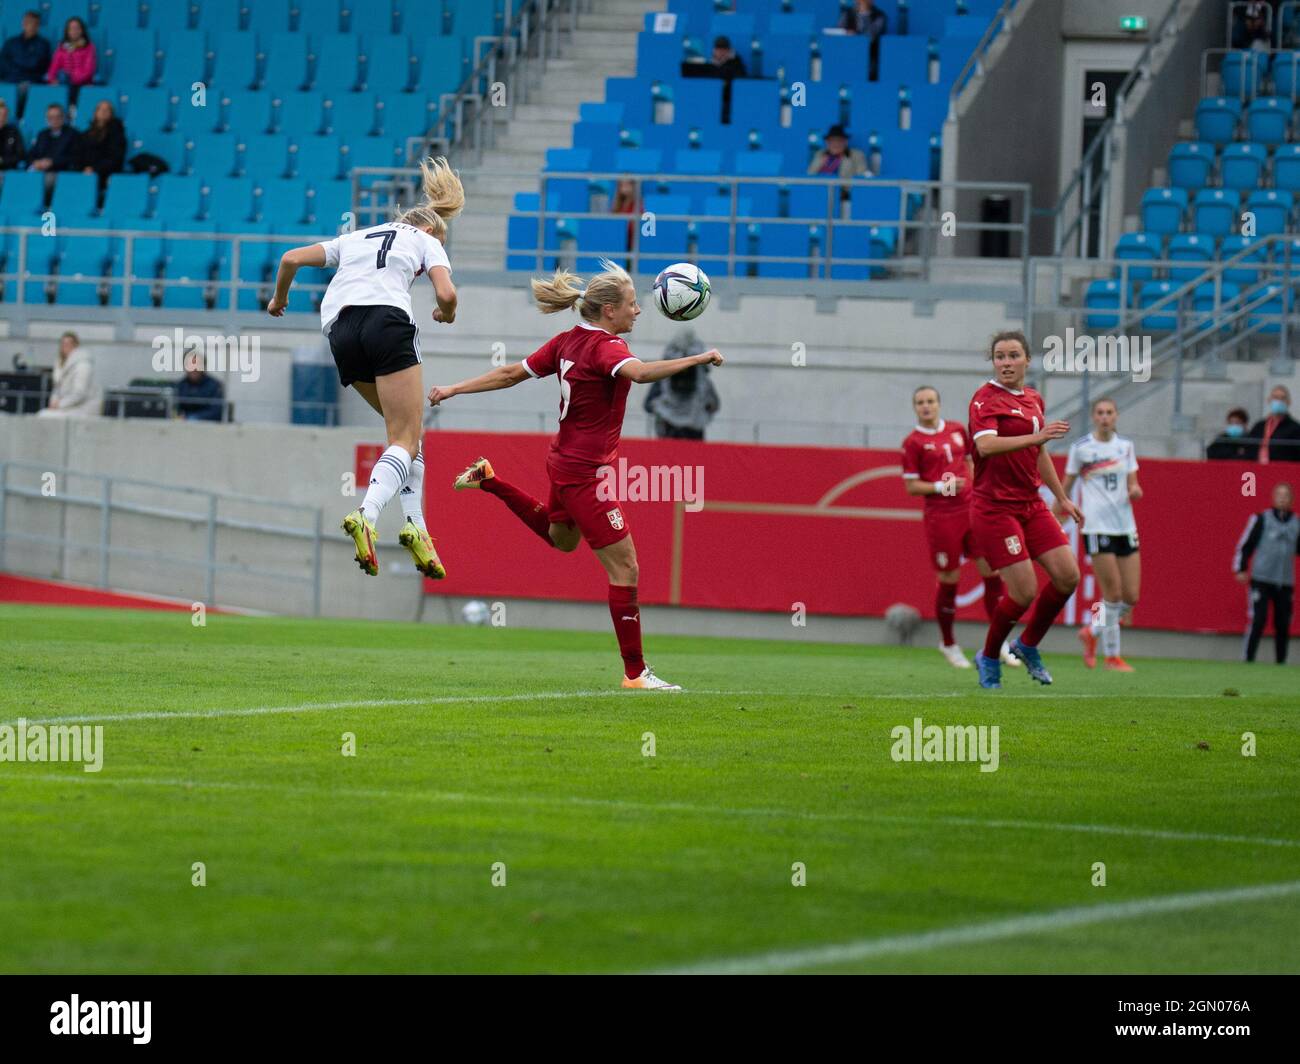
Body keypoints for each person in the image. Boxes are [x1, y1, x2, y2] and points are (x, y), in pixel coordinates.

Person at [427, 260, 726, 692]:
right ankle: (635, 673)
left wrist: (455, 387)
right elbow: (640, 374)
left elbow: (512, 373)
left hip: (564, 461)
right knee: (626, 568)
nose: (638, 310)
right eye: (631, 303)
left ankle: (489, 479)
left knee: (561, 540)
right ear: (608, 311)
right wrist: (698, 357)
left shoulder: (569, 341)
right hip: (585, 474)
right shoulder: (607, 349)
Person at [268, 156, 464, 581]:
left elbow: (289, 259)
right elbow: (447, 294)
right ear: (430, 228)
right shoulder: (425, 239)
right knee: (406, 435)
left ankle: (416, 526)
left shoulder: (354, 237)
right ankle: (367, 514)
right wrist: (445, 313)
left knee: (409, 436)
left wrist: (279, 300)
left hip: (340, 331)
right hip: (386, 323)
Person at [968, 330, 1084, 689]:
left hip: (1031, 504)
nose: (1006, 362)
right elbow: (986, 446)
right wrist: (1038, 437)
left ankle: (1028, 644)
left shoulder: (1033, 398)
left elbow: (1040, 452)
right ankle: (988, 656)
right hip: (995, 508)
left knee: (1068, 577)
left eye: (1013, 355)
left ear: (1027, 360)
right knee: (1024, 592)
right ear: (993, 362)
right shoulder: (984, 400)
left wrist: (1061, 497)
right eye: (999, 356)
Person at [900, 385, 1019, 670]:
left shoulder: (956, 430)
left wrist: (980, 491)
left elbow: (970, 462)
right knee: (949, 578)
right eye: (920, 403)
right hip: (941, 516)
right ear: (915, 408)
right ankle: (949, 643)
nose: (926, 406)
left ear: (939, 404)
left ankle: (999, 641)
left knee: (992, 570)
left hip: (971, 510)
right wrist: (942, 486)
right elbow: (911, 486)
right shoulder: (913, 443)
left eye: (930, 401)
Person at [1058, 397, 1142, 672]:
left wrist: (1135, 491)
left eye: (1109, 412)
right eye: (1100, 413)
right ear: (1094, 417)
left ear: (1116, 416)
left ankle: (1092, 632)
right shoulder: (1081, 448)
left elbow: (1133, 483)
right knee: (1113, 594)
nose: (1105, 417)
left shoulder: (1125, 447)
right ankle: (1112, 656)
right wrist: (1054, 514)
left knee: (1131, 596)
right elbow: (1065, 488)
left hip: (1125, 526)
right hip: (1096, 526)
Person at [1234, 482, 1298, 664]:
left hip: (1285, 581)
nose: (1282, 498)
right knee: (1258, 619)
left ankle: (1281, 661)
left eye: (1286, 495)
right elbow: (1246, 545)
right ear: (1273, 497)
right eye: (1279, 494)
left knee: (1283, 623)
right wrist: (1241, 568)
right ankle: (1248, 659)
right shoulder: (1262, 519)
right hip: (1261, 578)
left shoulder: (1296, 524)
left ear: (1291, 500)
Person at [643, 329, 720, 439]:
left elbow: (648, 405)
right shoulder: (663, 381)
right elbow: (713, 405)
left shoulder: (703, 383)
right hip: (672, 429)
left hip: (690, 430)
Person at [36, 331, 94, 417]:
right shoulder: (61, 365)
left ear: (75, 346)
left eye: (68, 344)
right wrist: (54, 402)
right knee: (43, 415)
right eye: (63, 344)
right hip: (66, 407)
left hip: (82, 408)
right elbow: (57, 388)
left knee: (44, 415)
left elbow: (79, 393)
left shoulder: (83, 365)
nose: (65, 348)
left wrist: (60, 405)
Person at [77, 98, 126, 194]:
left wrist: (95, 169)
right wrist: (83, 168)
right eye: (100, 109)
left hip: (105, 174)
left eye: (107, 109)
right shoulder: (85, 135)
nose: (103, 112)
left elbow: (115, 158)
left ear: (111, 114)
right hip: (84, 173)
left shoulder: (117, 135)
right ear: (95, 112)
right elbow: (78, 155)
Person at [1246, 384, 1300, 463]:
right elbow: (1249, 448)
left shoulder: (1295, 428)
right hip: (1257, 469)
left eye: (1283, 398)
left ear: (1289, 402)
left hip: (1282, 471)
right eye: (1276, 397)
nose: (1279, 401)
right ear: (1269, 400)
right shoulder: (1259, 426)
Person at [839, 0, 888, 81]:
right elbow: (840, 32)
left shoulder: (879, 16)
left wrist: (864, 13)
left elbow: (872, 36)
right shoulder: (848, 14)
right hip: (849, 54)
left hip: (870, 56)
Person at [0, 10, 51, 84]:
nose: (31, 26)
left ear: (38, 26)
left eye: (34, 24)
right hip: (11, 80)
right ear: (23, 24)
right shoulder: (10, 43)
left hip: (33, 82)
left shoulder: (43, 44)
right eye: (28, 22)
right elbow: (3, 64)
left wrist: (17, 66)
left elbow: (38, 64)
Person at [45, 16, 96, 88]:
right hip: (63, 83)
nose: (74, 31)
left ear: (82, 30)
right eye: (71, 29)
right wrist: (52, 79)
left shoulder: (89, 47)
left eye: (77, 28)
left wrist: (71, 79)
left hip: (82, 84)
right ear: (67, 31)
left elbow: (88, 70)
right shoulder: (62, 47)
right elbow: (54, 66)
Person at [27, 102, 79, 171]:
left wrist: (52, 162)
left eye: (58, 117)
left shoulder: (73, 134)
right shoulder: (42, 134)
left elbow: (74, 157)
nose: (54, 120)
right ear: (46, 119)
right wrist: (35, 162)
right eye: (51, 117)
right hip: (41, 170)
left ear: (63, 117)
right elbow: (32, 154)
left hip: (62, 172)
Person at [175, 349, 225, 421]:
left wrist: (193, 418)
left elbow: (216, 412)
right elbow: (175, 409)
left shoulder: (214, 386)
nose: (194, 369)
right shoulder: (180, 386)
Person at [706, 35, 746, 123]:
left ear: (728, 50)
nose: (720, 52)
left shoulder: (736, 62)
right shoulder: (709, 63)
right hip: (711, 96)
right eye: (718, 49)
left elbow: (740, 80)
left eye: (723, 49)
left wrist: (725, 83)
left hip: (729, 98)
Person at [0, 99, 24, 170]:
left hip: (8, 169)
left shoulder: (13, 132)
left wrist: (3, 160)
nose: (2, 118)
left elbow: (20, 154)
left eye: (4, 115)